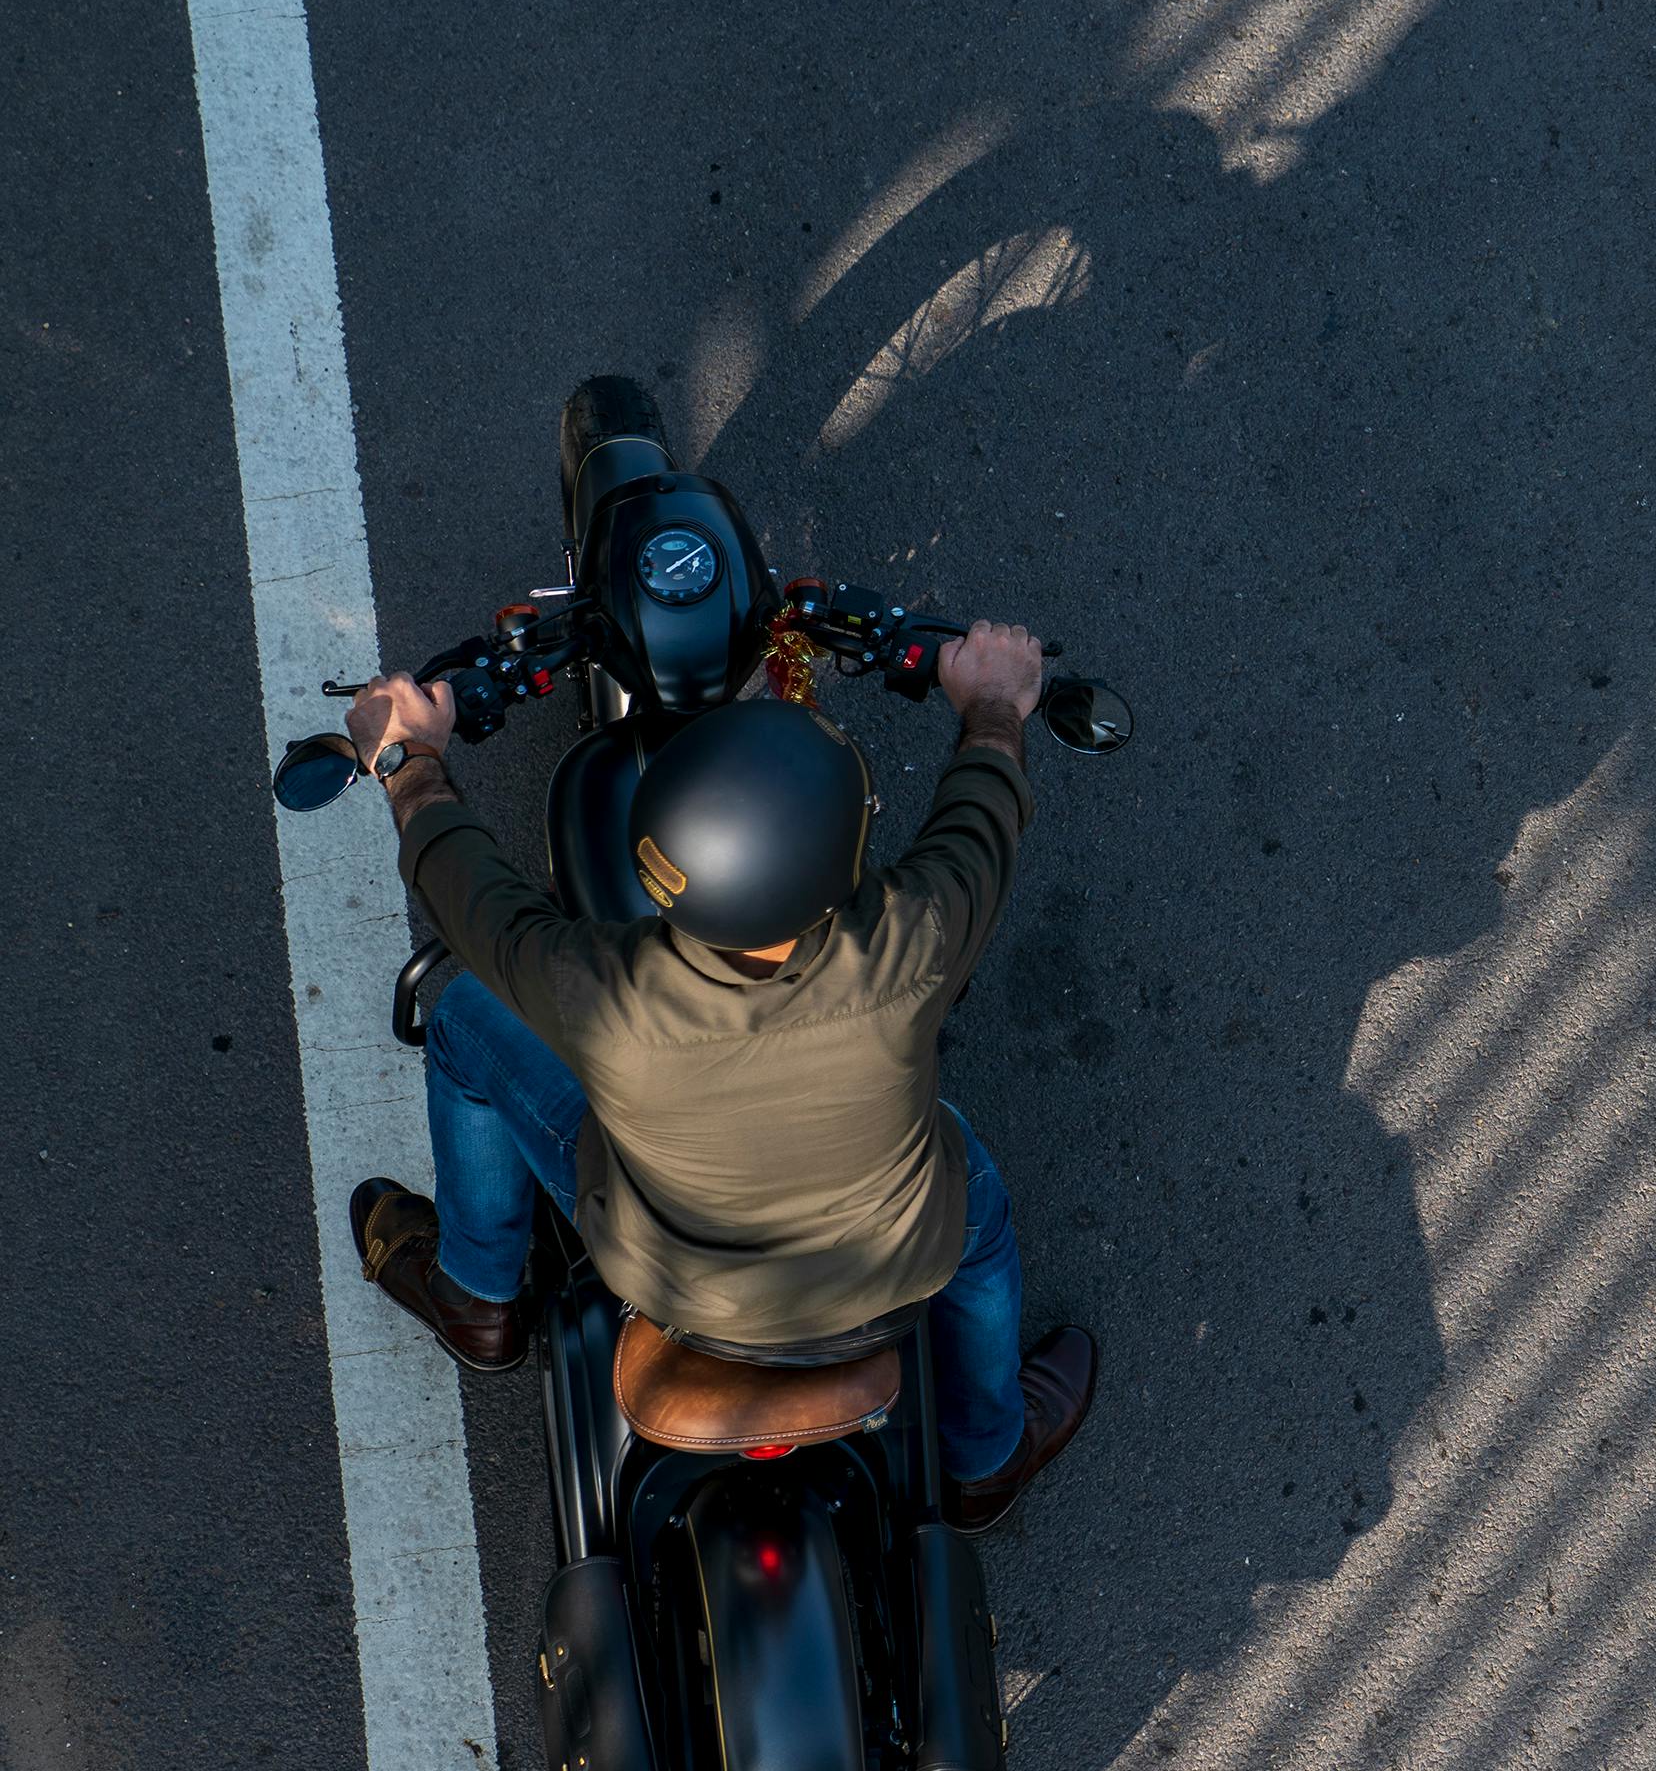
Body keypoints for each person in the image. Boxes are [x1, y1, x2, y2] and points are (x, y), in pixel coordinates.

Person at [334, 624, 1095, 1532]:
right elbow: (982, 815)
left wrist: (409, 758)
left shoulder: (599, 991)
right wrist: (995, 704)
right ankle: (985, 1459)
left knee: (462, 1019)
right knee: (975, 1204)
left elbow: (465, 888)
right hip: (893, 1272)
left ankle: (479, 1295)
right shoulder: (909, 941)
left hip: (677, 1291)